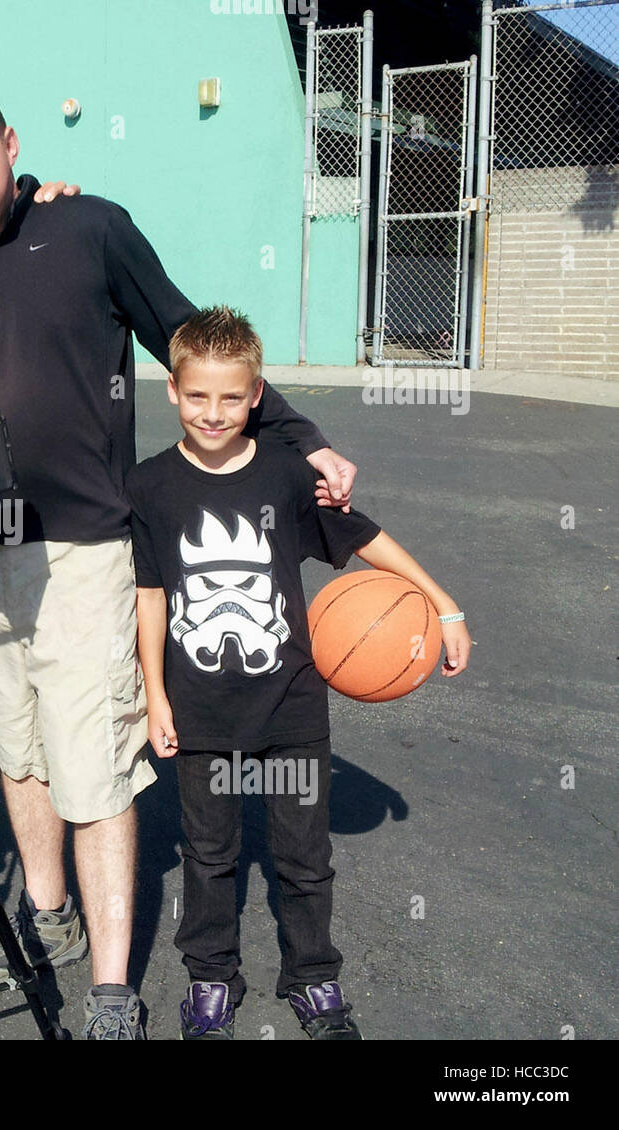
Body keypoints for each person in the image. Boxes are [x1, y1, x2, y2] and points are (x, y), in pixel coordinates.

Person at [0, 78, 360, 1039]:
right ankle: (47, 913)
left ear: (10, 142)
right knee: (13, 751)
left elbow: (192, 341)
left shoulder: (91, 229)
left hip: (83, 548)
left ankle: (113, 984)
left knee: (99, 764)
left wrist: (299, 437)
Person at [126, 306, 471, 1039]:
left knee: (303, 856)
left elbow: (365, 537)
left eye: (229, 397)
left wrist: (443, 605)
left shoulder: (287, 474)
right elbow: (150, 595)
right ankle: (212, 976)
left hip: (289, 705)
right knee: (210, 855)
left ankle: (313, 977)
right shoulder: (151, 486)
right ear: (171, 390)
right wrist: (154, 694)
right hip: (200, 708)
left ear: (256, 395)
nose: (212, 412)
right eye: (197, 396)